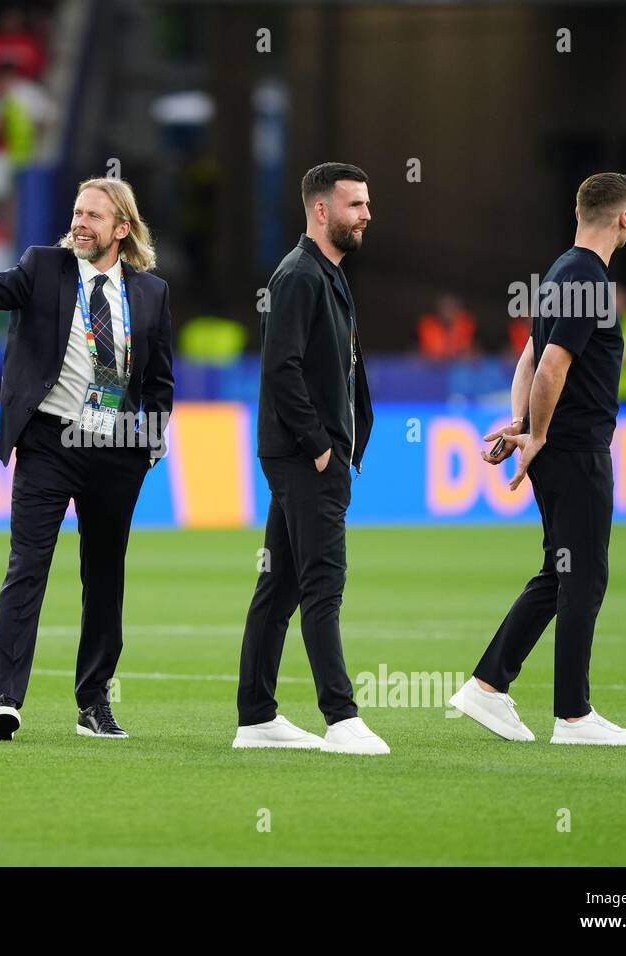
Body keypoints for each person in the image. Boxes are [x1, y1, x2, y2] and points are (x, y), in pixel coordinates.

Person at [0, 177, 174, 741]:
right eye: (78, 211)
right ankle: (5, 700)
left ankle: (94, 705)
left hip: (116, 451)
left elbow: (159, 381)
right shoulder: (43, 267)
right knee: (27, 565)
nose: (81, 222)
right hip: (49, 443)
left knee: (105, 578)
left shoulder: (152, 293)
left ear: (122, 229)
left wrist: (149, 447)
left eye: (94, 216)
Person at [449, 172, 626, 747]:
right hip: (576, 448)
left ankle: (488, 686)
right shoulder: (590, 279)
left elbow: (528, 358)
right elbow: (553, 364)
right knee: (583, 576)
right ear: (625, 219)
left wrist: (523, 424)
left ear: (577, 212)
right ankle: (573, 716)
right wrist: (535, 433)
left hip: (559, 443)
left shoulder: (562, 270)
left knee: (560, 571)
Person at [234, 162, 387, 756]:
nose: (366, 214)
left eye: (367, 203)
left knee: (279, 588)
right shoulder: (299, 276)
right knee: (325, 584)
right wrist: (321, 445)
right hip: (306, 458)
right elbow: (281, 368)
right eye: (355, 204)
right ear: (320, 210)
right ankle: (341, 717)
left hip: (310, 455)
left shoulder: (328, 273)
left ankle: (256, 717)